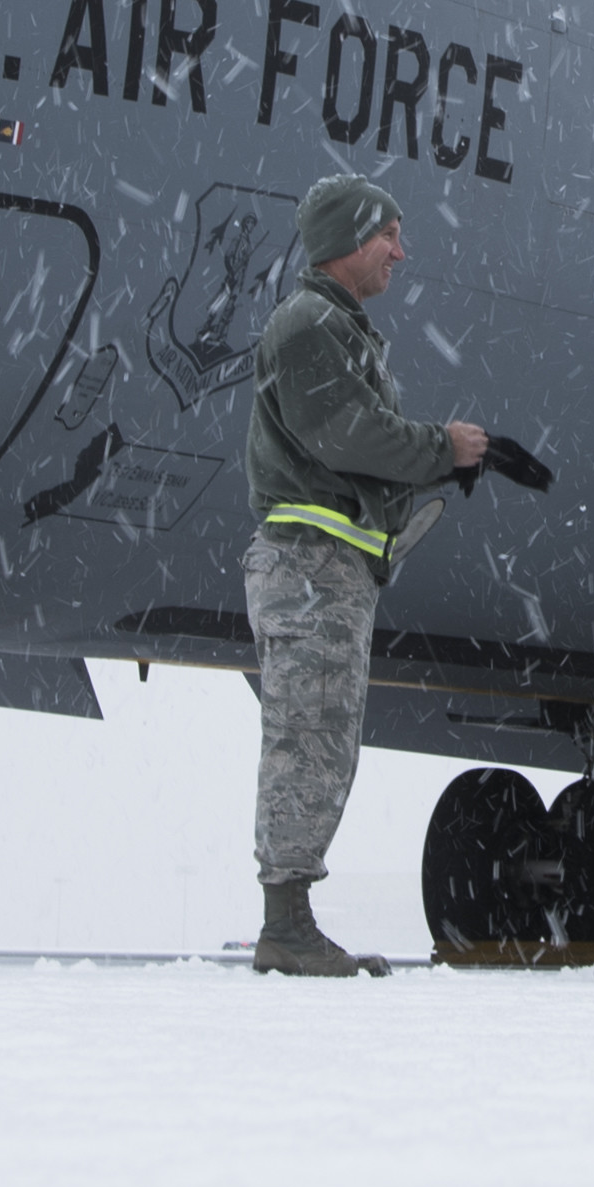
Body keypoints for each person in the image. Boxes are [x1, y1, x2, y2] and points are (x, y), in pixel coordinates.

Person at [237, 171, 487, 976]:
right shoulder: (311, 325)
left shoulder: (330, 325)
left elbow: (349, 441)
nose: (399, 253)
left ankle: (290, 920)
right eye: (387, 236)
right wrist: (439, 449)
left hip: (328, 568)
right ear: (347, 240)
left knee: (321, 738)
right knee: (308, 740)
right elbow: (348, 435)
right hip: (310, 567)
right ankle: (285, 926)